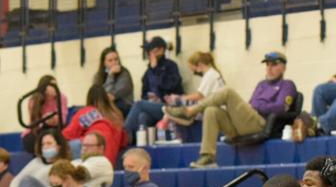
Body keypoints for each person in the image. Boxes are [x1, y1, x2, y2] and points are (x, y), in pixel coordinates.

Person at [166, 51, 297, 169]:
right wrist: (251, 106)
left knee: (228, 92)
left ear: (283, 67)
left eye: (274, 65)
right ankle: (208, 156)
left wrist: (256, 106)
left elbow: (280, 108)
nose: (269, 68)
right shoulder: (261, 84)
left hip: (261, 124)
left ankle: (190, 111)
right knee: (211, 111)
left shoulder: (287, 85)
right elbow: (250, 104)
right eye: (267, 65)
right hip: (246, 123)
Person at [123, 36, 184, 142]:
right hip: (154, 106)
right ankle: (142, 145)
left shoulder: (171, 66)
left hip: (169, 107)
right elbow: (143, 94)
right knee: (142, 116)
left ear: (162, 50)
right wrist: (149, 98)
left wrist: (156, 69)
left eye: (152, 50)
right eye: (148, 51)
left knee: (138, 104)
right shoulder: (148, 72)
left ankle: (123, 133)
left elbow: (171, 85)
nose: (149, 54)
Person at [162, 50, 225, 142]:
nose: (194, 72)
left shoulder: (210, 75)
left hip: (214, 111)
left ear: (199, 65)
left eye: (193, 69)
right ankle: (170, 117)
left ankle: (171, 119)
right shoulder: (212, 74)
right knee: (178, 106)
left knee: (176, 107)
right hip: (212, 108)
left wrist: (179, 98)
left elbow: (199, 95)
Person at [63, 84, 127, 166]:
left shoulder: (87, 112)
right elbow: (123, 140)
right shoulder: (116, 114)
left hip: (92, 153)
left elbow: (67, 134)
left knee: (66, 145)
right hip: (110, 160)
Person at [21, 75, 69, 153]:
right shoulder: (34, 100)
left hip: (55, 127)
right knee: (30, 140)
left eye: (56, 85)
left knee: (57, 137)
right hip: (38, 128)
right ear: (44, 88)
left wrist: (52, 119)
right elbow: (33, 122)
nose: (55, 88)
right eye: (52, 86)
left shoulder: (62, 98)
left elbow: (63, 119)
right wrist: (45, 119)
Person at [95, 46, 135, 115]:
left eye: (116, 59)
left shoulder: (124, 73)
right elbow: (97, 95)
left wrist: (111, 75)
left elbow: (110, 95)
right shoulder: (99, 76)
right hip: (107, 107)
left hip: (124, 107)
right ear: (104, 63)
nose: (114, 63)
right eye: (110, 60)